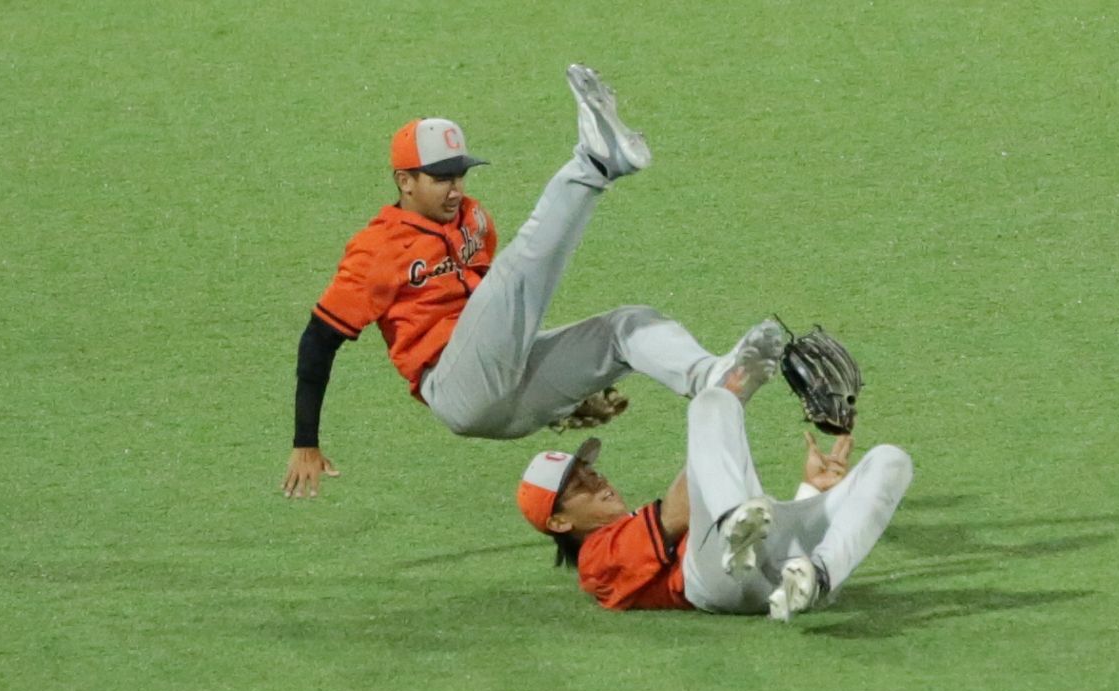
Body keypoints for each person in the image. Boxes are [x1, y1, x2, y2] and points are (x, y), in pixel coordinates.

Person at [283, 64, 785, 498]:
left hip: (510, 395)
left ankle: (712, 379)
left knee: (625, 328)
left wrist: (565, 394)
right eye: (441, 178)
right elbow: (318, 341)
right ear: (404, 181)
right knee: (514, 274)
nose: (456, 189)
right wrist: (306, 439)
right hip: (456, 389)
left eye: (460, 175)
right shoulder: (377, 250)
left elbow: (504, 324)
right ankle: (594, 163)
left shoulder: (474, 219)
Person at [515, 366, 914, 621]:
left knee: (890, 460)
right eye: (578, 484)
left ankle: (818, 579)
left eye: (591, 471)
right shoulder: (595, 560)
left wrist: (812, 492)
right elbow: (680, 508)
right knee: (709, 403)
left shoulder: (629, 526)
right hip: (714, 583)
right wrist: (733, 396)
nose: (598, 481)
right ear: (558, 521)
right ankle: (733, 529)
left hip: (770, 565)